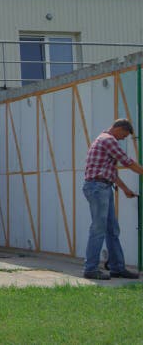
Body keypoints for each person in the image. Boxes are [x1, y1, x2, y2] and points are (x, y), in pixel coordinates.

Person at [82, 118, 141, 280]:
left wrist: (125, 190)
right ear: (119, 128)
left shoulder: (103, 140)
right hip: (98, 188)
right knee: (99, 229)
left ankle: (117, 268)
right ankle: (90, 269)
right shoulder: (109, 140)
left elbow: (112, 173)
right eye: (124, 135)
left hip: (102, 187)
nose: (123, 139)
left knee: (112, 230)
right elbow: (127, 162)